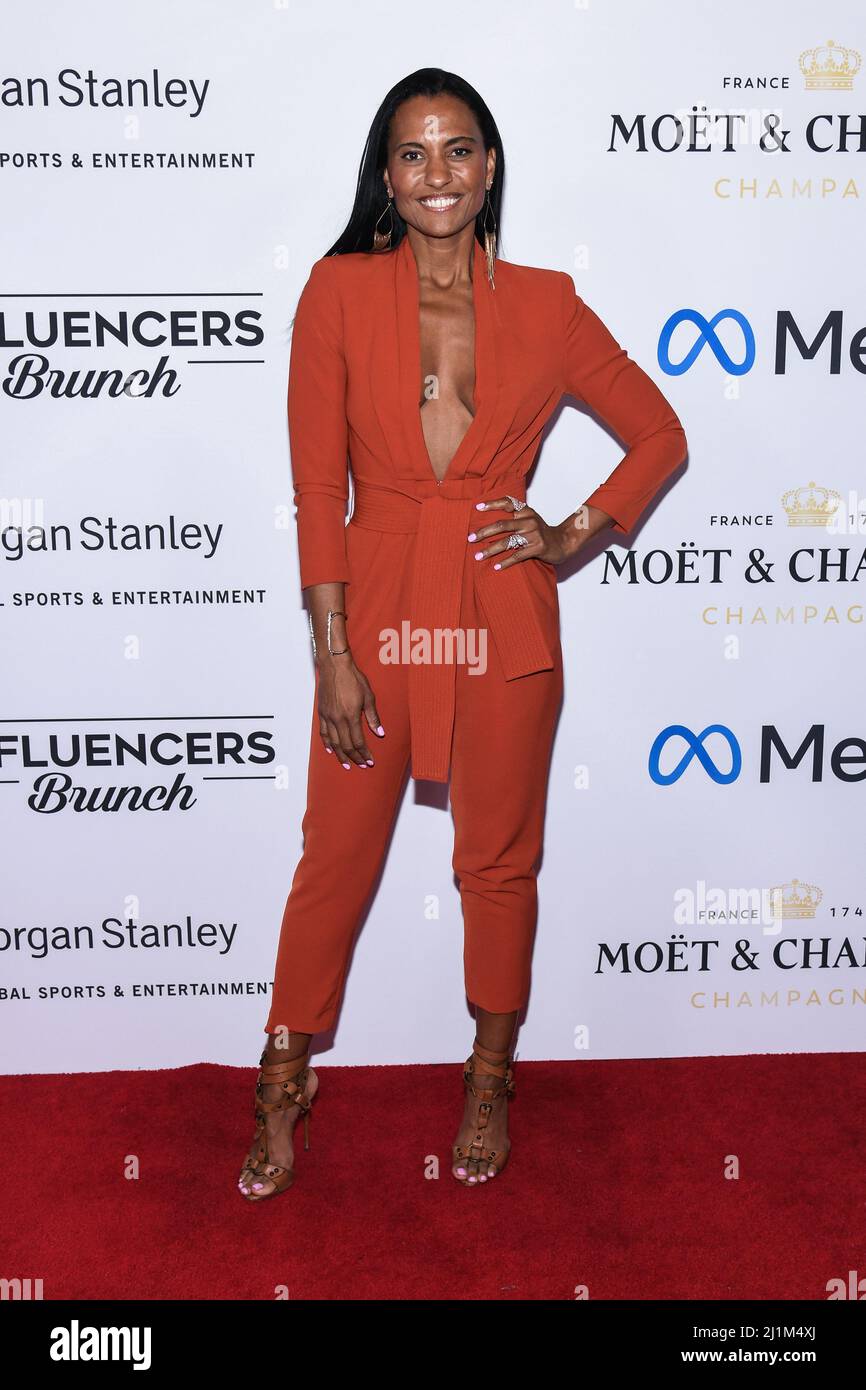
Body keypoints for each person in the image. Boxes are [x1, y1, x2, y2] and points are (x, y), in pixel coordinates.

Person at [238, 67, 687, 1201]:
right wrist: (330, 651)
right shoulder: (336, 293)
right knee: (333, 855)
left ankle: (488, 1076)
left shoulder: (548, 302)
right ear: (384, 179)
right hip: (379, 605)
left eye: (457, 150)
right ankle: (283, 1077)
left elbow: (658, 433)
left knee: (495, 862)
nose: (435, 173)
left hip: (498, 613)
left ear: (488, 169)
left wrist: (567, 530)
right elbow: (315, 485)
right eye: (411, 153)